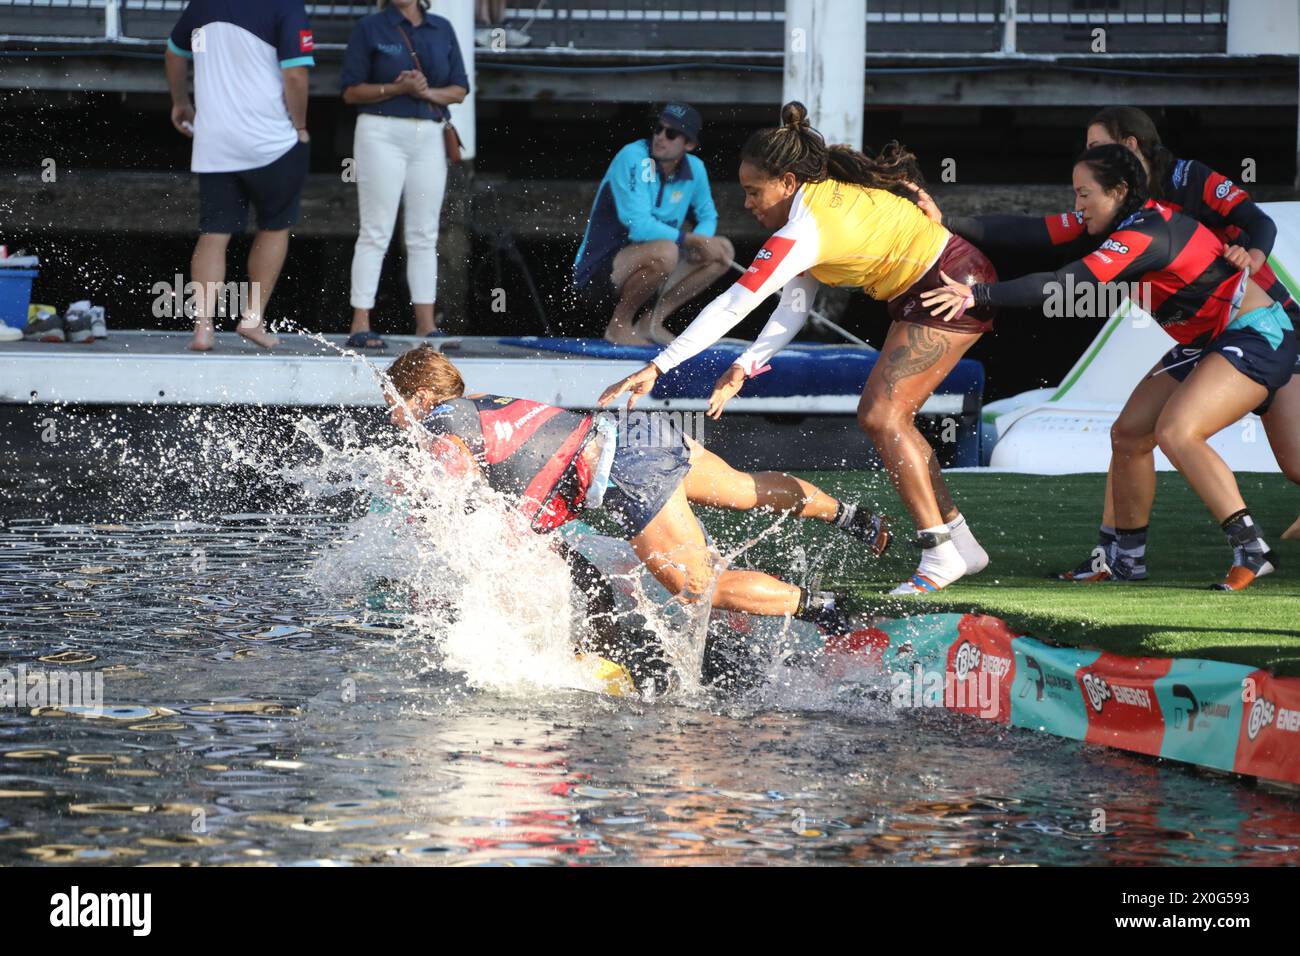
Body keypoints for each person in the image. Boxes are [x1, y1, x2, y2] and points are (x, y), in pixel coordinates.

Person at [599, 101, 997, 596]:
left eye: (753, 191)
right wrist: (746, 364)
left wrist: (658, 366)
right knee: (892, 418)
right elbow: (795, 303)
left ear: (788, 182)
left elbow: (731, 305)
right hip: (936, 283)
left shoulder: (800, 230)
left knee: (882, 417)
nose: (747, 204)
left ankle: (938, 552)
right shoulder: (815, 204)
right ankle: (960, 541)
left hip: (952, 284)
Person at [915, 105, 1300, 576]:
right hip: (1210, 340)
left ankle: (1252, 550)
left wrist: (977, 294)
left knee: (1180, 432)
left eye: (1083, 194)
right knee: (1129, 434)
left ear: (1120, 182)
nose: (1076, 206)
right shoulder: (1119, 216)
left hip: (1259, 333)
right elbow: (1032, 232)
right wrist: (944, 222)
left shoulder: (1144, 229)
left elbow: (1062, 282)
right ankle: (1121, 560)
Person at [382, 345, 891, 623]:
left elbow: (470, 510)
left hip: (627, 470)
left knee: (695, 587)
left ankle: (824, 609)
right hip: (634, 431)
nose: (391, 417)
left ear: (421, 397)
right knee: (742, 487)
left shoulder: (441, 426)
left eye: (393, 404)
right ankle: (851, 516)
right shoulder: (481, 402)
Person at [165, 0, 315, 352]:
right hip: (271, 141)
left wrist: (180, 101)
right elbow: (295, 74)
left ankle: (203, 329)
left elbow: (174, 53)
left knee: (214, 233)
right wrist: (301, 126)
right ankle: (252, 318)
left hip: (214, 139)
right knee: (274, 226)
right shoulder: (286, 7)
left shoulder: (202, 4)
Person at [340, 0, 469, 348]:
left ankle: (426, 326)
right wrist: (398, 88)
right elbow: (350, 91)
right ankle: (360, 322)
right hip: (380, 130)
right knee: (375, 230)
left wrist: (425, 92)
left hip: (428, 133)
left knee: (425, 232)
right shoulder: (370, 27)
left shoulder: (441, 27)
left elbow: (459, 89)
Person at [573, 103, 735, 346]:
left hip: (654, 272)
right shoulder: (633, 157)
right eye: (658, 129)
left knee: (723, 250)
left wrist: (702, 240)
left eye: (671, 134)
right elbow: (639, 227)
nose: (660, 137)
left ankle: (650, 323)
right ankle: (618, 327)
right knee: (667, 250)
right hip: (598, 274)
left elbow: (708, 216)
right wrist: (692, 240)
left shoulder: (696, 169)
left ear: (689, 144)